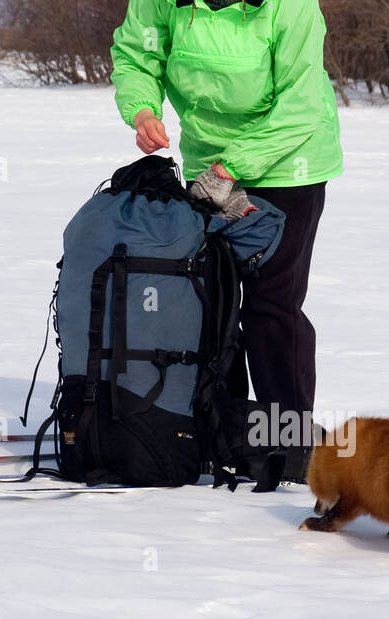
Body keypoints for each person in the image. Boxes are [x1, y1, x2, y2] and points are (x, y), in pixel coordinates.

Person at [110, 0, 342, 480]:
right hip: (211, 165)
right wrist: (143, 108)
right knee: (209, 298)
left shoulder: (289, 7)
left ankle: (289, 444)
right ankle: (221, 428)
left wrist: (234, 166)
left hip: (288, 162)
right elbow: (137, 55)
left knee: (271, 303)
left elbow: (301, 104)